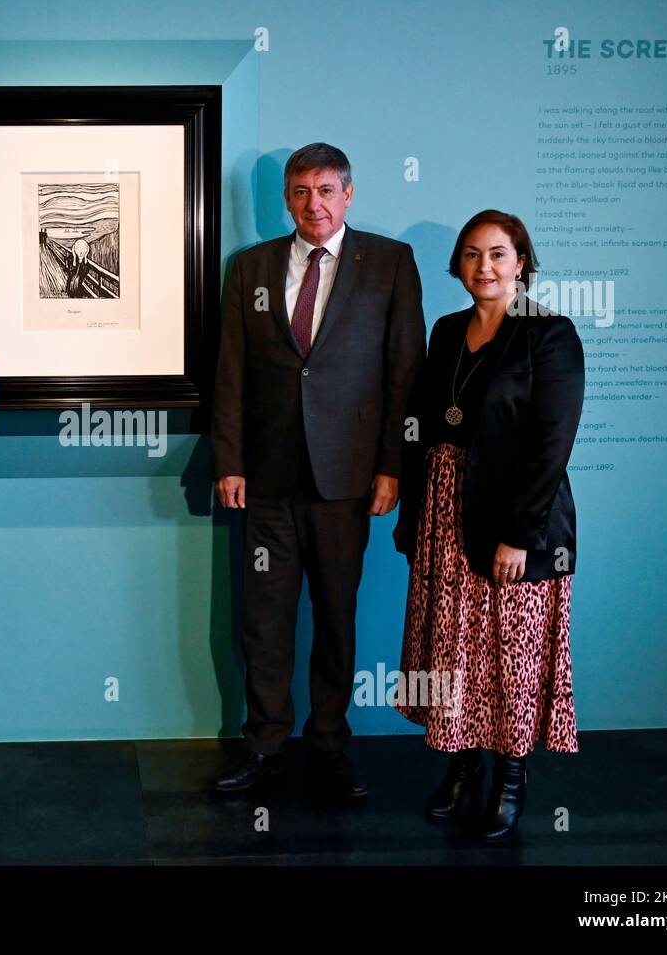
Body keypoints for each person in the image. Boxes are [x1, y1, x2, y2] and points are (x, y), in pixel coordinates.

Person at [211, 143, 426, 797]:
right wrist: (229, 460)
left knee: (336, 617)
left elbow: (404, 373)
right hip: (267, 481)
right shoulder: (249, 266)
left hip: (348, 482)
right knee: (264, 621)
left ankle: (330, 745)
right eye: (301, 191)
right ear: (284, 198)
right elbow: (231, 374)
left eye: (327, 190)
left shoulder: (388, 263)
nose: (315, 204)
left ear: (349, 194)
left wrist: (393, 469)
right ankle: (266, 745)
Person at [393, 209, 584, 843]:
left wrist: (519, 536)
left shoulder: (549, 334)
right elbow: (423, 422)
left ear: (521, 262)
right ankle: (460, 766)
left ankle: (510, 777)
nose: (485, 267)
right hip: (444, 508)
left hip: (513, 514)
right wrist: (414, 511)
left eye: (499, 254)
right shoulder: (447, 331)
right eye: (473, 255)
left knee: (511, 654)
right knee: (452, 648)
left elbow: (552, 443)